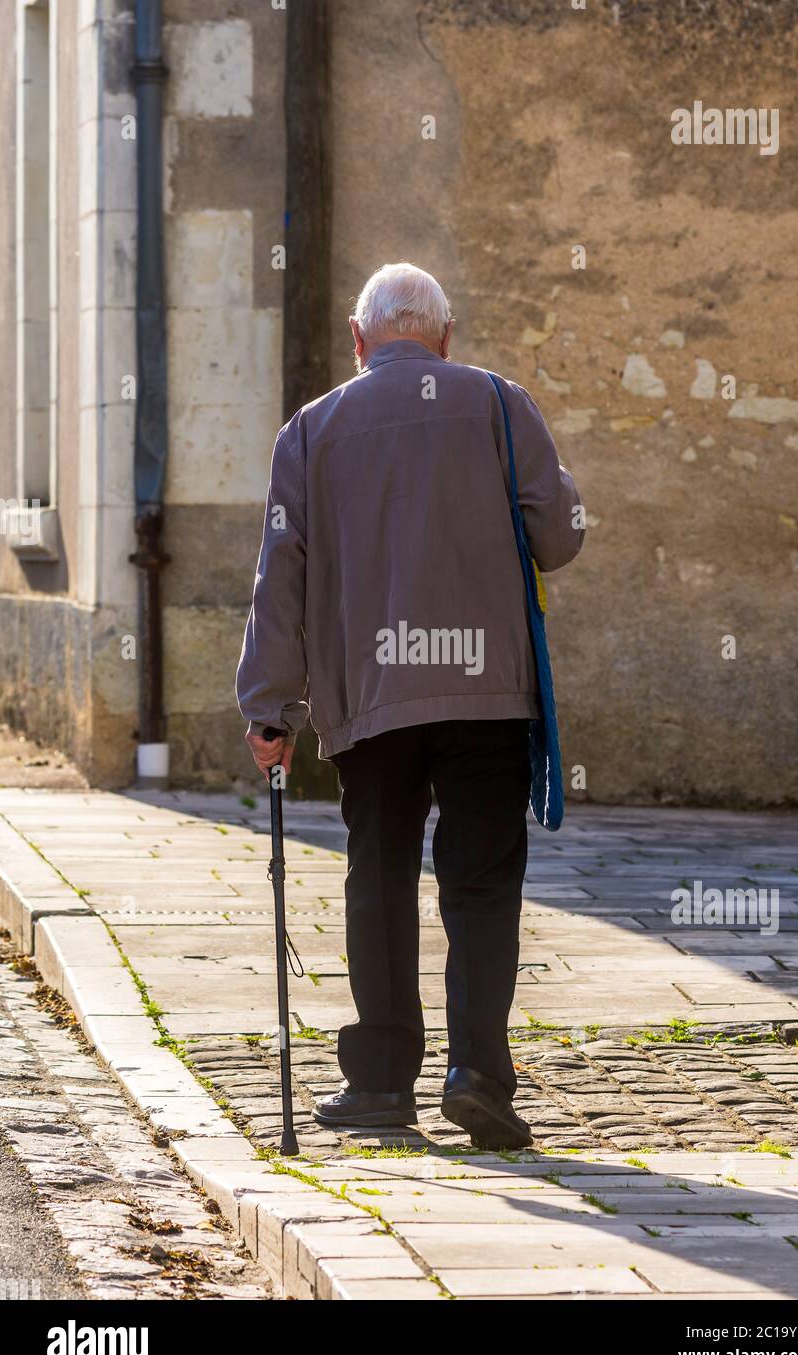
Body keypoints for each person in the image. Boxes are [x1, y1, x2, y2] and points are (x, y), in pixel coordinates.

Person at [236, 262, 584, 1148]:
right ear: (446, 335)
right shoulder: (503, 406)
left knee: (380, 874)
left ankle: (383, 1083)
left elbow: (282, 577)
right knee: (480, 883)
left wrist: (270, 706)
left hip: (372, 690)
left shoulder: (311, 431)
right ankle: (480, 1078)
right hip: (487, 693)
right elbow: (559, 535)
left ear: (359, 342)